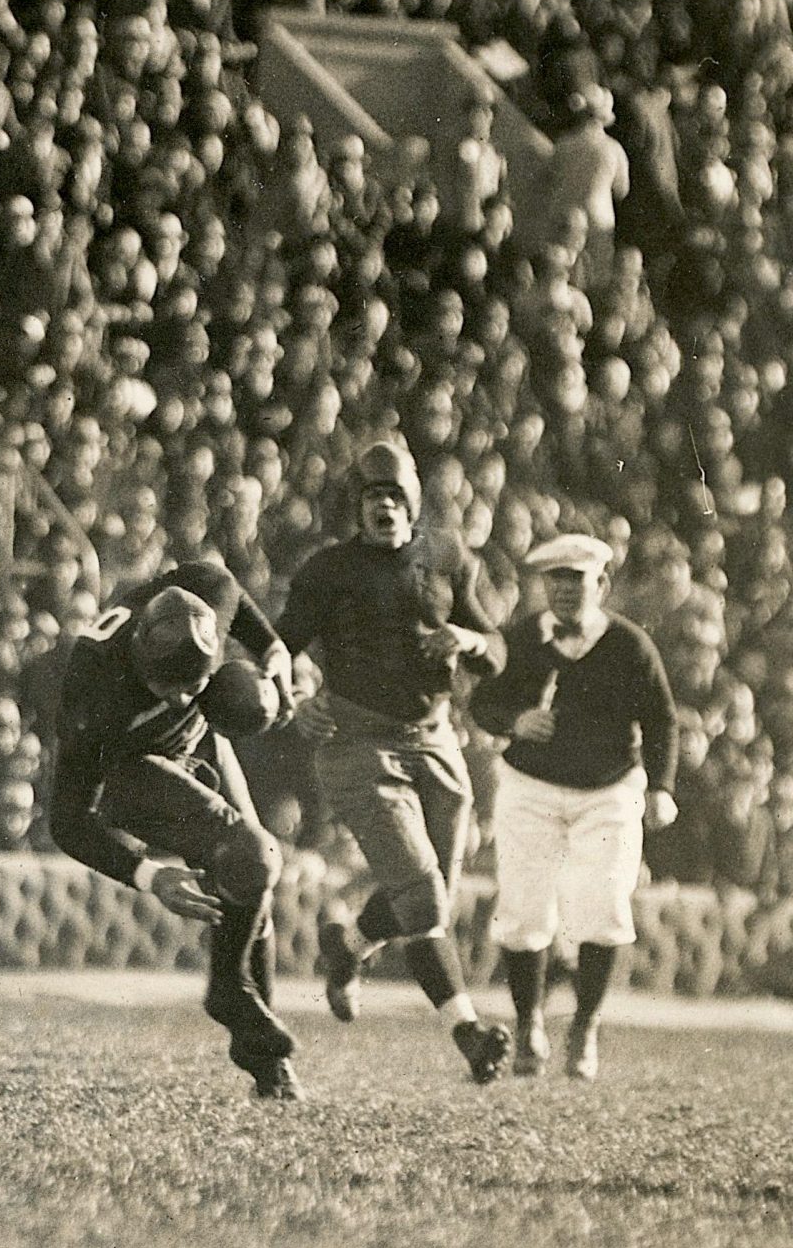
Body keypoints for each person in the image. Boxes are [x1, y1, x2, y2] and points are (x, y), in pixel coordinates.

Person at [278, 439, 514, 1083]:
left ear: (412, 502)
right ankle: (467, 1031)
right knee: (421, 892)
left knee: (435, 882)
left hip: (435, 739)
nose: (383, 507)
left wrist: (469, 639)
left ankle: (349, 946)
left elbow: (497, 647)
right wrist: (298, 696)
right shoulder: (328, 570)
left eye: (393, 496)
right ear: (355, 507)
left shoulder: (446, 557)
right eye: (370, 497)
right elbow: (277, 647)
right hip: (357, 742)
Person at [48, 568, 303, 1099]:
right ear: (140, 661)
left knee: (256, 871)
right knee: (250, 856)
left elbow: (221, 581)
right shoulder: (92, 689)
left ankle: (259, 1050)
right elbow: (67, 820)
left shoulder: (203, 600)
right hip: (131, 766)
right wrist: (148, 874)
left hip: (196, 745)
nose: (184, 698)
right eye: (170, 686)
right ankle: (231, 995)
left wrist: (273, 651)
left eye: (197, 684)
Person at [467, 533, 677, 1081]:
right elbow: (481, 700)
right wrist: (514, 721)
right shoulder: (520, 638)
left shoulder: (630, 645)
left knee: (604, 905)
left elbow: (661, 719)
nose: (564, 589)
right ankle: (529, 1024)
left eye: (576, 579)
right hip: (530, 787)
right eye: (555, 578)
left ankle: (584, 1026)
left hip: (608, 790)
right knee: (523, 910)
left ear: (601, 585)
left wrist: (661, 787)